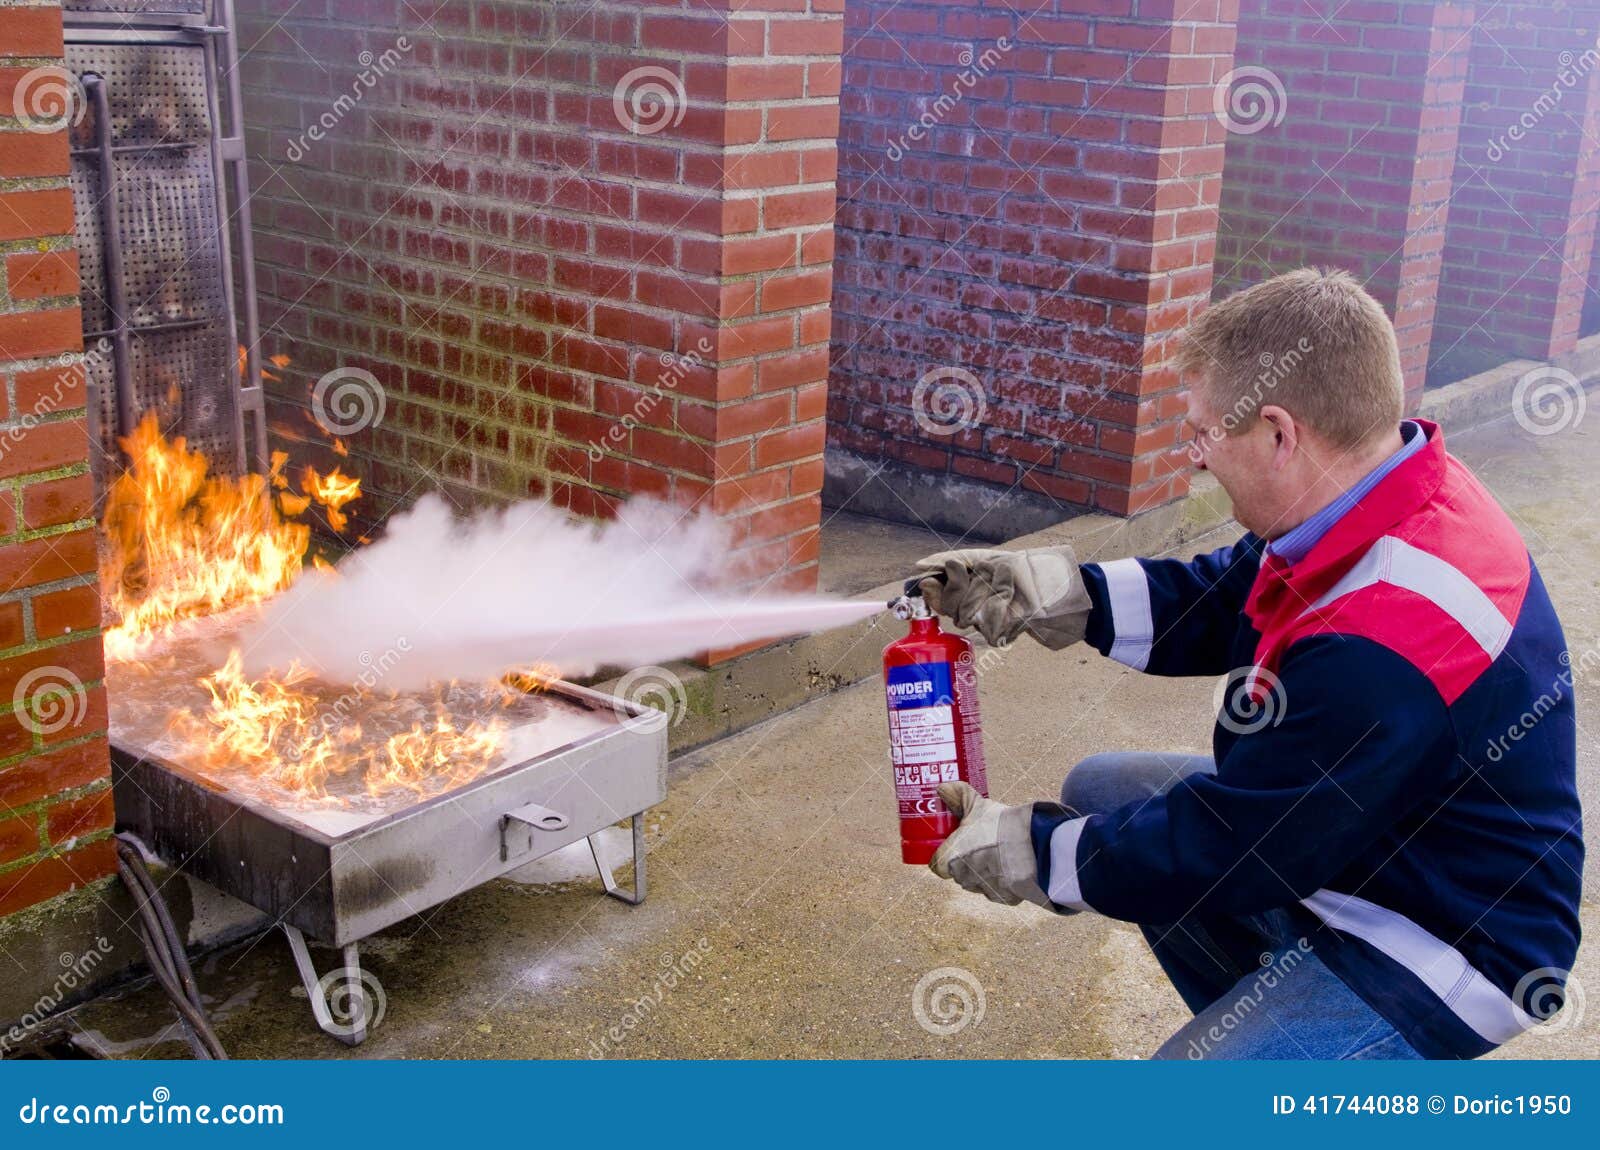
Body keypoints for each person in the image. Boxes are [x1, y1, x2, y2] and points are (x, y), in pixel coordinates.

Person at [916, 268, 1583, 1060]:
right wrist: (1065, 596)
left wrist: (1035, 852)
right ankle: (1284, 1042)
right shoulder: (1381, 491)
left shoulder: (1384, 643)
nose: (1194, 458)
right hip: (1369, 843)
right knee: (1107, 788)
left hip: (1446, 938)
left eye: (1203, 433)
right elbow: (1226, 594)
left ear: (1278, 433)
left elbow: (1241, 842)